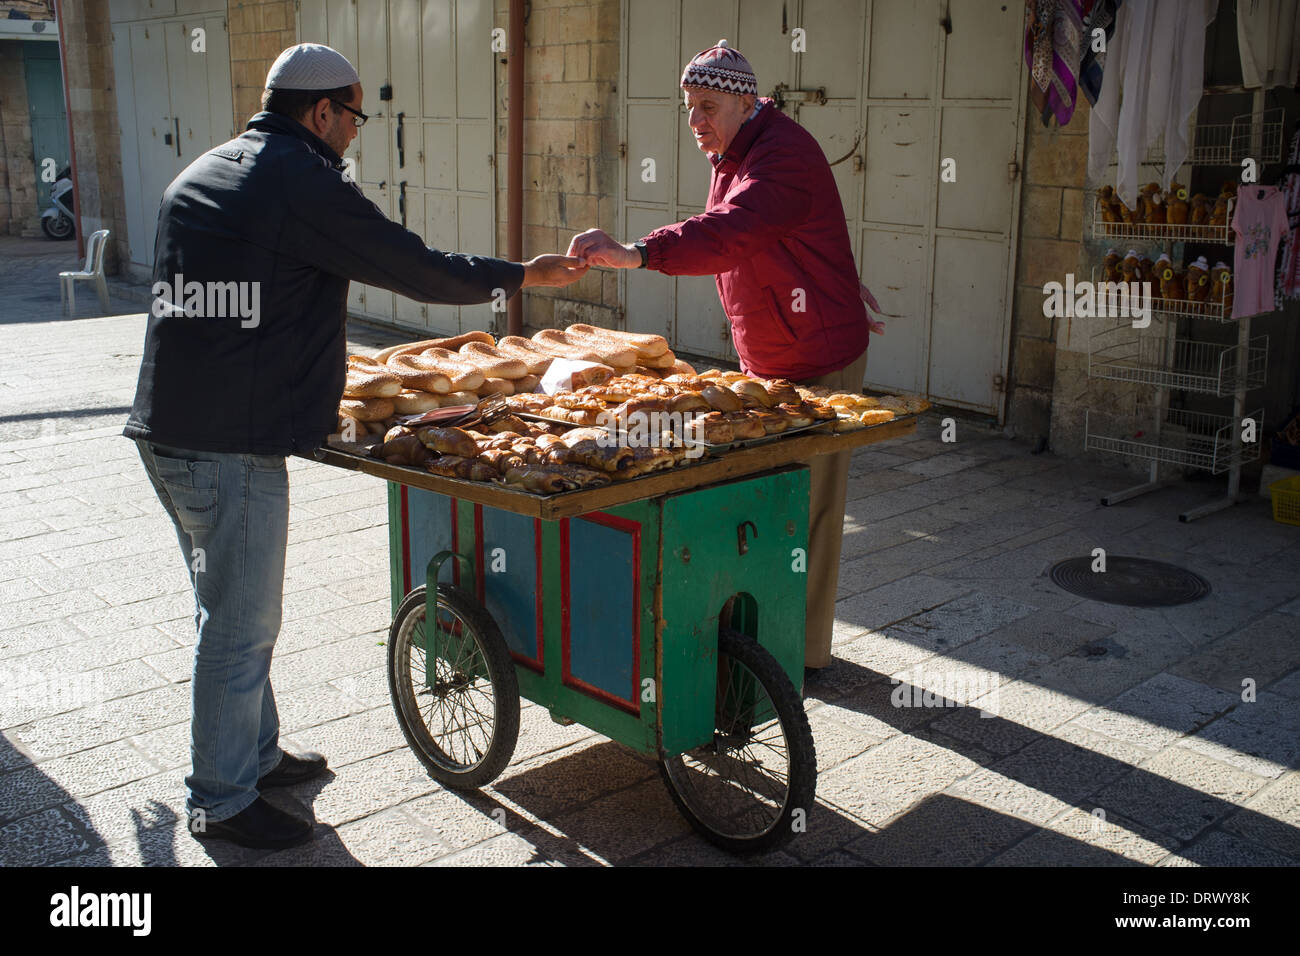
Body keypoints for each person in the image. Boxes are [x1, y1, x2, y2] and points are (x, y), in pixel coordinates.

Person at [122, 43, 587, 850]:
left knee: (227, 609)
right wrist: (519, 275)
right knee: (239, 623)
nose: (354, 137)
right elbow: (409, 265)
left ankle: (255, 756)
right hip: (230, 445)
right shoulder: (298, 180)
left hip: (167, 429)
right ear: (322, 112)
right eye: (355, 118)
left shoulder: (204, 170)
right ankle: (223, 801)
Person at [567, 39, 884, 676]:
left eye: (707, 106)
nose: (695, 122)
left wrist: (638, 253)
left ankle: (806, 658)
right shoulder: (736, 149)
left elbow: (733, 232)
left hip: (816, 355)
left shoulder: (782, 153)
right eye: (689, 107)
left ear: (746, 101)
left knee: (810, 507)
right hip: (773, 349)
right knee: (768, 502)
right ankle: (766, 639)